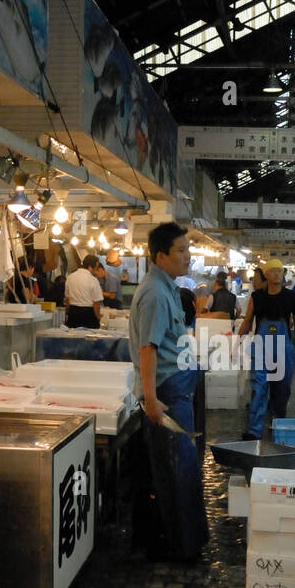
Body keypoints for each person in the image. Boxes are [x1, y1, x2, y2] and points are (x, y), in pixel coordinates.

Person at [129, 222, 208, 562]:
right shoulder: (156, 294)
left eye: (188, 249)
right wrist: (150, 399)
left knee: (183, 468)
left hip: (177, 388)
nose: (187, 256)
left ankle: (188, 540)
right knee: (177, 471)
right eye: (181, 250)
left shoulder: (168, 287)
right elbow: (148, 349)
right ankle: (182, 548)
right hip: (166, 394)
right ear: (161, 256)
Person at [238, 258, 295, 440]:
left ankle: (278, 425)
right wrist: (237, 341)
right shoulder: (257, 297)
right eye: (273, 270)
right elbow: (247, 321)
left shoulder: (291, 297)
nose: (277, 274)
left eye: (280, 271)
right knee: (259, 388)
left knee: (282, 390)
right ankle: (254, 430)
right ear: (266, 274)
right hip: (261, 348)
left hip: (284, 349)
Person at [65, 255, 104, 328]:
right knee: (89, 337)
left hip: (73, 313)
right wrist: (98, 318)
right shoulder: (93, 280)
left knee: (73, 337)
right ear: (90, 267)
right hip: (88, 315)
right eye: (96, 267)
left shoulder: (70, 277)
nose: (96, 269)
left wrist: (68, 312)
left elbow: (67, 299)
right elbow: (96, 303)